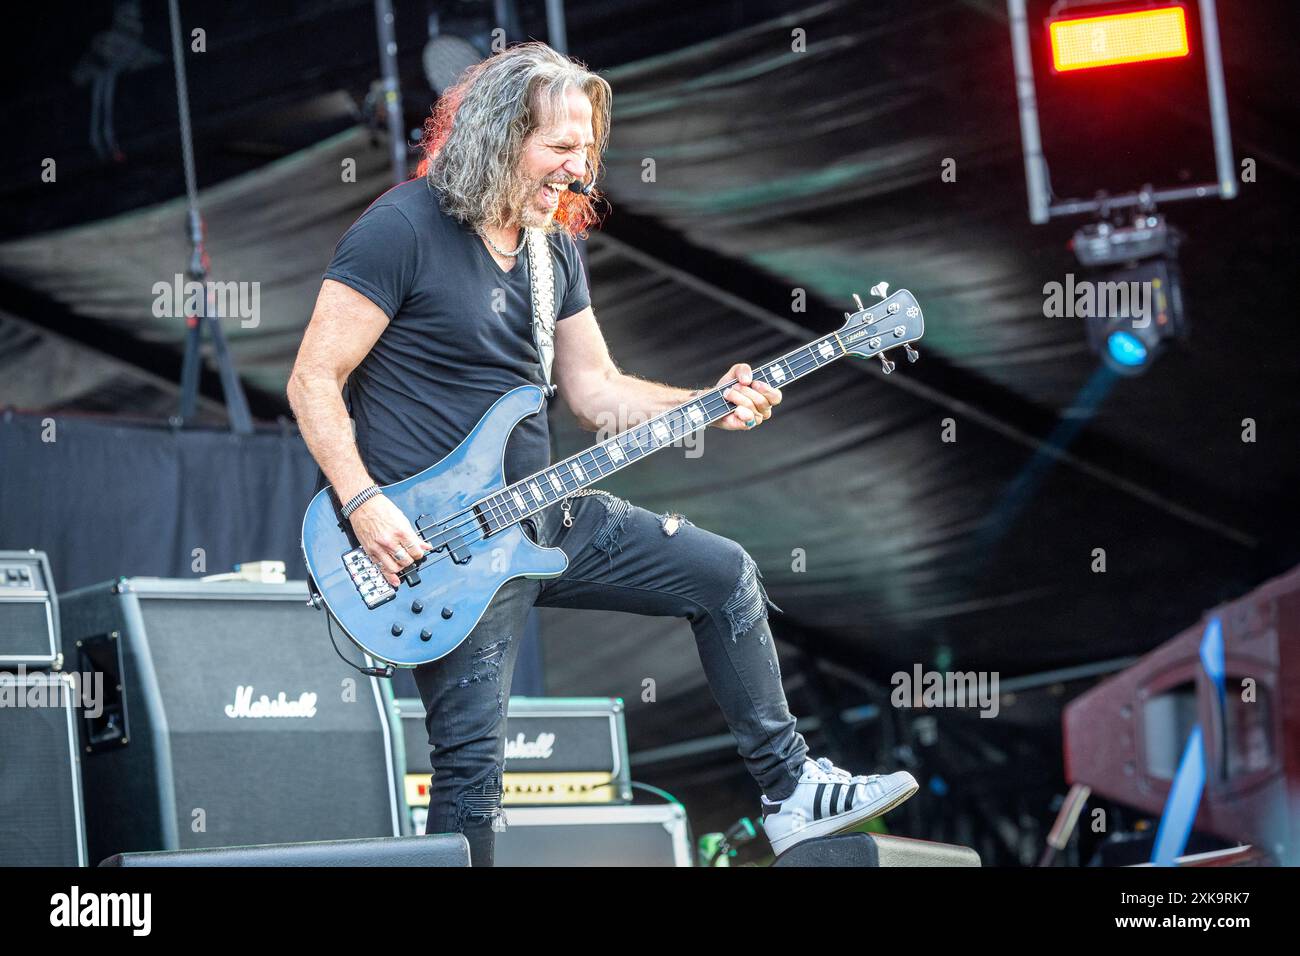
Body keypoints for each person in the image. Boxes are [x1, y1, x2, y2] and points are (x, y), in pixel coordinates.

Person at [287, 41, 916, 866]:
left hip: (542, 515)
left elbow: (597, 393)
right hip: (435, 544)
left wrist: (708, 407)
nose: (578, 167)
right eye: (559, 147)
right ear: (498, 136)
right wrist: (366, 505)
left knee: (721, 573)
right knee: (473, 770)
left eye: (587, 148)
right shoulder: (402, 228)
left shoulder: (553, 255)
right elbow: (312, 379)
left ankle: (790, 793)